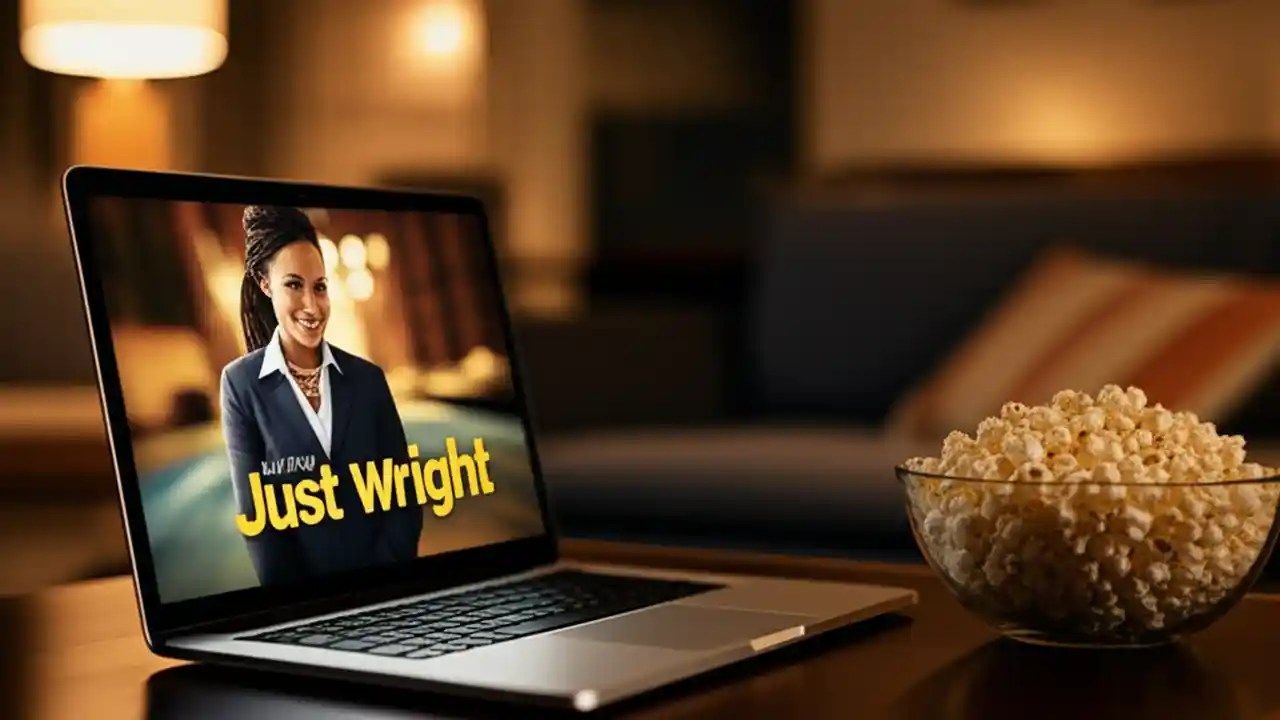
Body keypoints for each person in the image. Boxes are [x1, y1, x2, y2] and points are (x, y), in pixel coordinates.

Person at [220, 205, 422, 586]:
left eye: (320, 286)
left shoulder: (368, 380)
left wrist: (384, 579)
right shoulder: (241, 383)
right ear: (265, 285)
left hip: (387, 592)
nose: (312, 306)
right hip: (302, 606)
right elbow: (257, 520)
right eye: (294, 285)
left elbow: (405, 499)